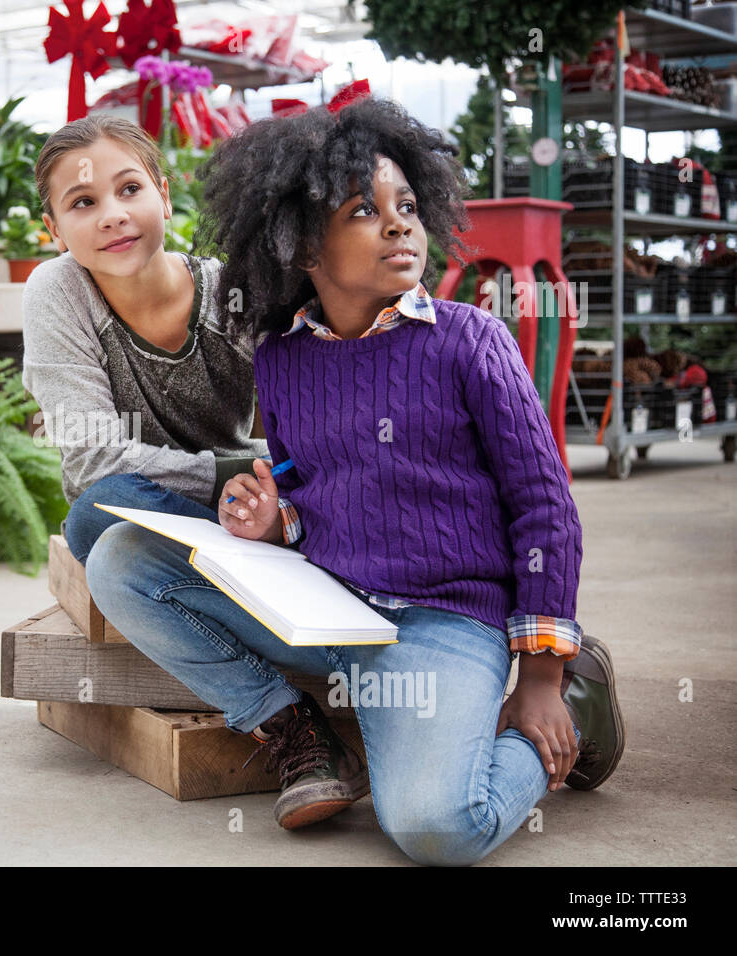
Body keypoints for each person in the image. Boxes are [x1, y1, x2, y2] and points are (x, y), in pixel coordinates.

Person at [84, 96, 626, 866]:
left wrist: (539, 675)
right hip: (325, 609)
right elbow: (313, 484)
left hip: (440, 620)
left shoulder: (470, 341)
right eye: (364, 211)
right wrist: (278, 522)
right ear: (303, 242)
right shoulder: (282, 356)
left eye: (407, 205)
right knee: (121, 559)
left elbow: (545, 510)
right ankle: (292, 729)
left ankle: (574, 701)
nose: (400, 224)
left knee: (438, 829)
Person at [21, 114, 268, 564]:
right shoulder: (58, 291)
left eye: (130, 189)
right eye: (82, 202)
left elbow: (317, 410)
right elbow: (94, 461)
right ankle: (248, 561)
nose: (113, 216)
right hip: (145, 510)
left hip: (255, 503)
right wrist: (238, 472)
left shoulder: (230, 290)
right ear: (54, 230)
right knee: (99, 507)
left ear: (165, 197)